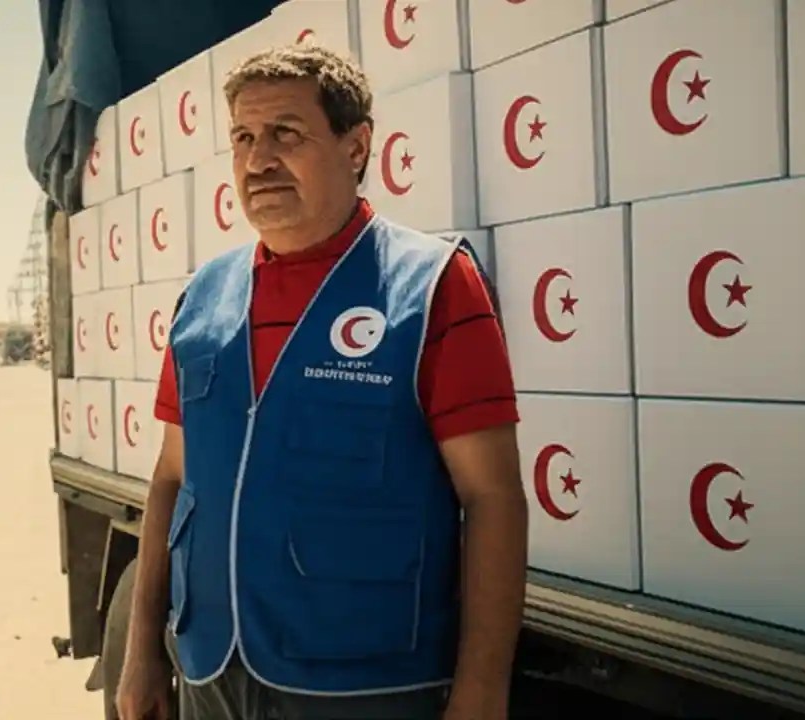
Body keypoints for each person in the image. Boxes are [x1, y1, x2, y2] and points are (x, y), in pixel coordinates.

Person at [116, 43, 527, 720]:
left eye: (285, 133)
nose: (257, 161)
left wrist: (483, 692)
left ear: (357, 146)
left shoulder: (432, 288)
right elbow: (169, 479)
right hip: (211, 673)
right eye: (243, 138)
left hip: (366, 686)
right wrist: (142, 651)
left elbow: (492, 498)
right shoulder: (204, 297)